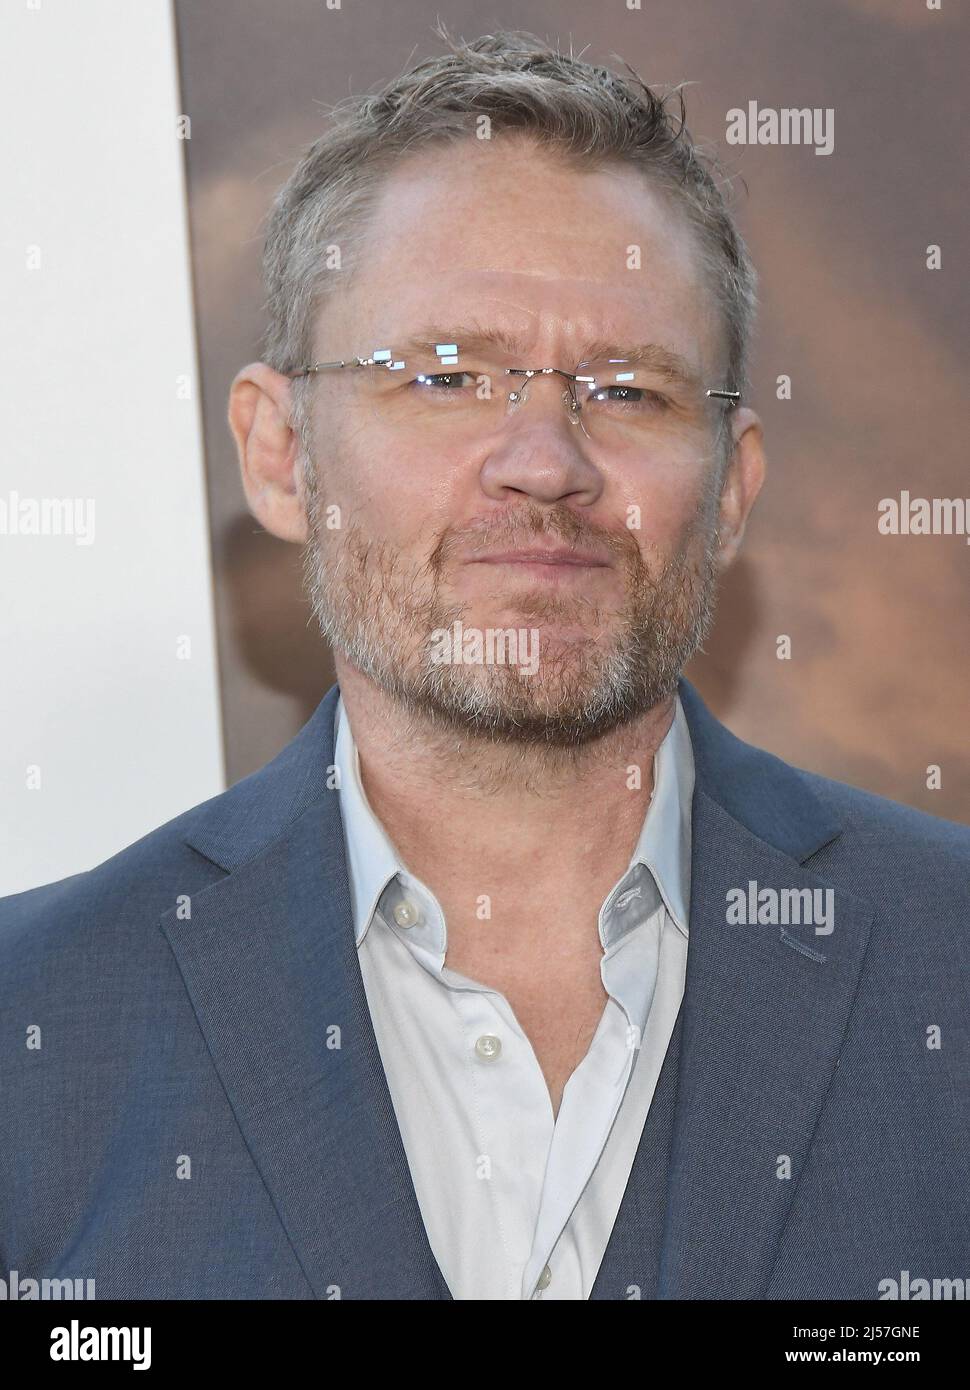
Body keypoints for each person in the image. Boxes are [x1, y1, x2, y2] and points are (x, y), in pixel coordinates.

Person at [1, 28, 967, 1302]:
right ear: (282, 453)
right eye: (447, 374)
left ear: (729, 491)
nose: (544, 459)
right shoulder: (38, 1026)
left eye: (627, 390)